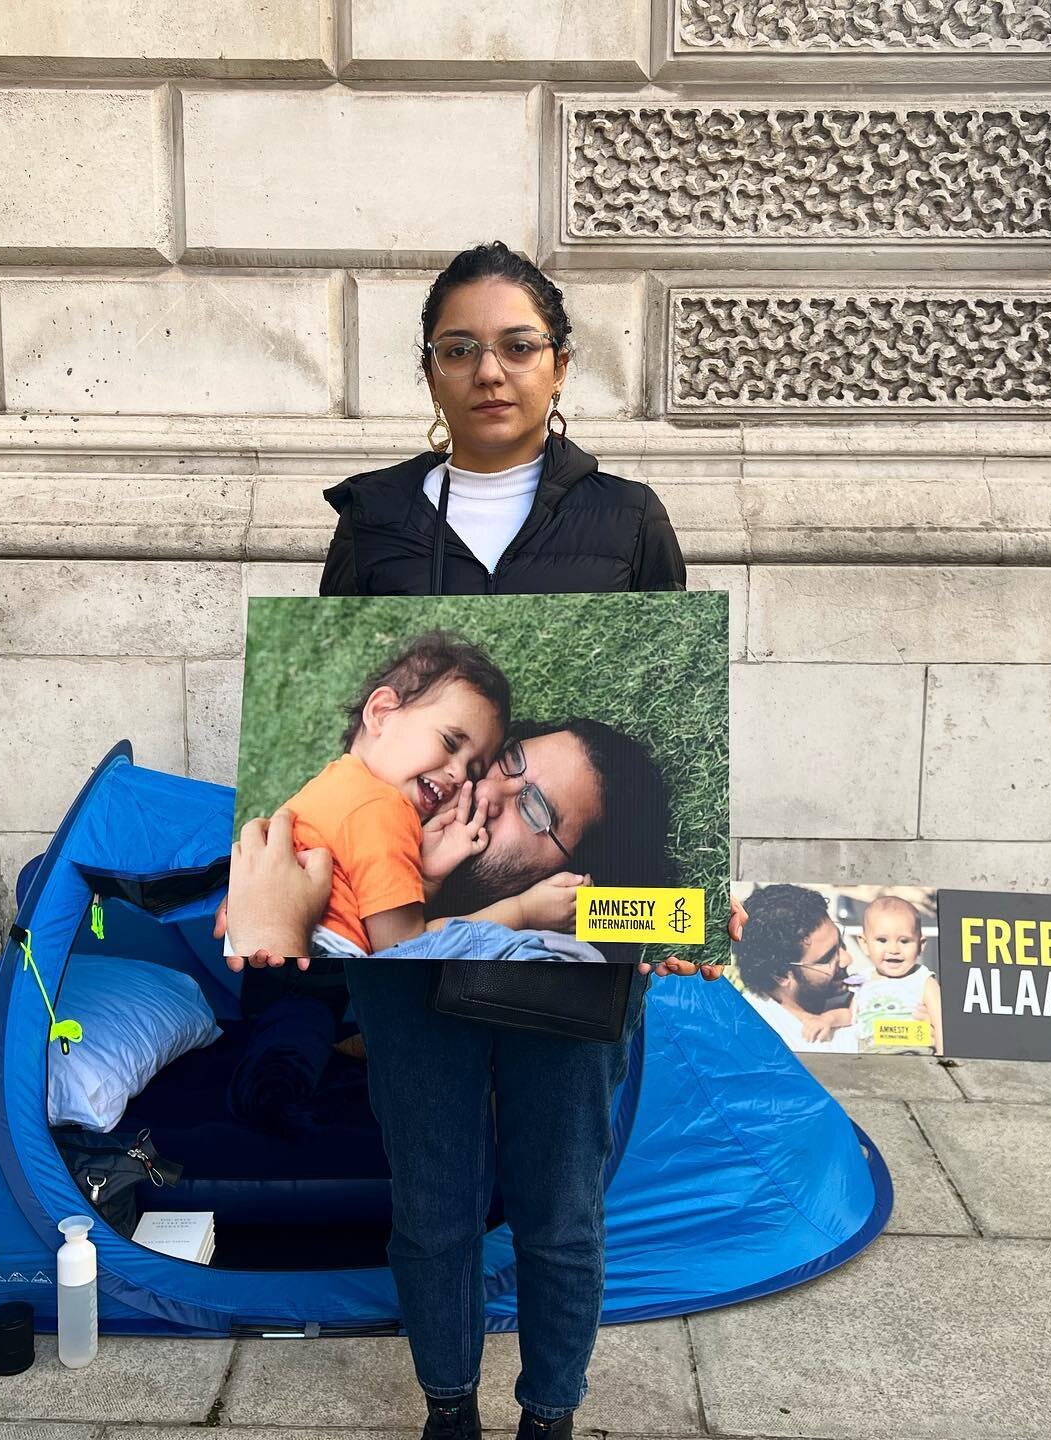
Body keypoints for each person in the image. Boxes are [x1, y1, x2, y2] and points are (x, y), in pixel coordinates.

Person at [279, 239, 744, 1440]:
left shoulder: (628, 520)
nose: (491, 369)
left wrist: (685, 913)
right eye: (460, 348)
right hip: (403, 955)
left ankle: (551, 1415)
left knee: (561, 1205)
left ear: (561, 364)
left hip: (572, 973)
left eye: (518, 345)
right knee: (430, 1196)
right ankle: (448, 1407)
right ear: (429, 372)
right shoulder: (374, 522)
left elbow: (688, 684)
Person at [224, 630, 511, 960]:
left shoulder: (333, 784)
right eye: (449, 742)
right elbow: (406, 947)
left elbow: (371, 908)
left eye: (474, 772)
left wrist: (425, 879)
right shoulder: (384, 809)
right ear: (382, 712)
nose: (459, 775)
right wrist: (522, 910)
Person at [734, 883, 860, 1053]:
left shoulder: (864, 994)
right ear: (781, 975)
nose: (847, 959)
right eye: (828, 958)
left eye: (841, 943)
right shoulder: (755, 1039)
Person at [854, 894, 943, 1055]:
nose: (894, 950)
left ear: (920, 945)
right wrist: (827, 1020)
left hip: (912, 1053)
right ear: (864, 944)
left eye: (904, 941)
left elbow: (940, 1022)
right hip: (869, 1055)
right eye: (882, 940)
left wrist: (943, 1058)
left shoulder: (923, 980)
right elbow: (848, 1015)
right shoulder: (861, 980)